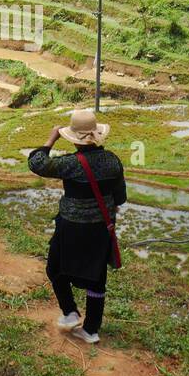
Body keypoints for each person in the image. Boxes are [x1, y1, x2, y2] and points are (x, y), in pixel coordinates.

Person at [28, 109, 126, 344]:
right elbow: (120, 197)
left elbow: (36, 163)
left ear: (73, 138)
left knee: (55, 268)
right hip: (101, 229)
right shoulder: (113, 161)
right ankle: (91, 330)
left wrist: (51, 138)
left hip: (70, 228)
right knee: (96, 279)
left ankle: (70, 312)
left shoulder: (71, 164)